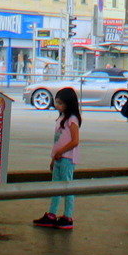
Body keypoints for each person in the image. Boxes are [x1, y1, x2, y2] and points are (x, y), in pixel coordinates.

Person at [34, 87, 81, 229]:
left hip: (67, 158)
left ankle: (68, 216)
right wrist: (54, 158)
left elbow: (75, 141)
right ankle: (52, 214)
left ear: (69, 104)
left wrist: (60, 152)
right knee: (56, 187)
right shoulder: (61, 117)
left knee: (67, 187)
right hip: (59, 158)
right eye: (57, 102)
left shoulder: (72, 119)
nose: (57, 105)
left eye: (60, 103)